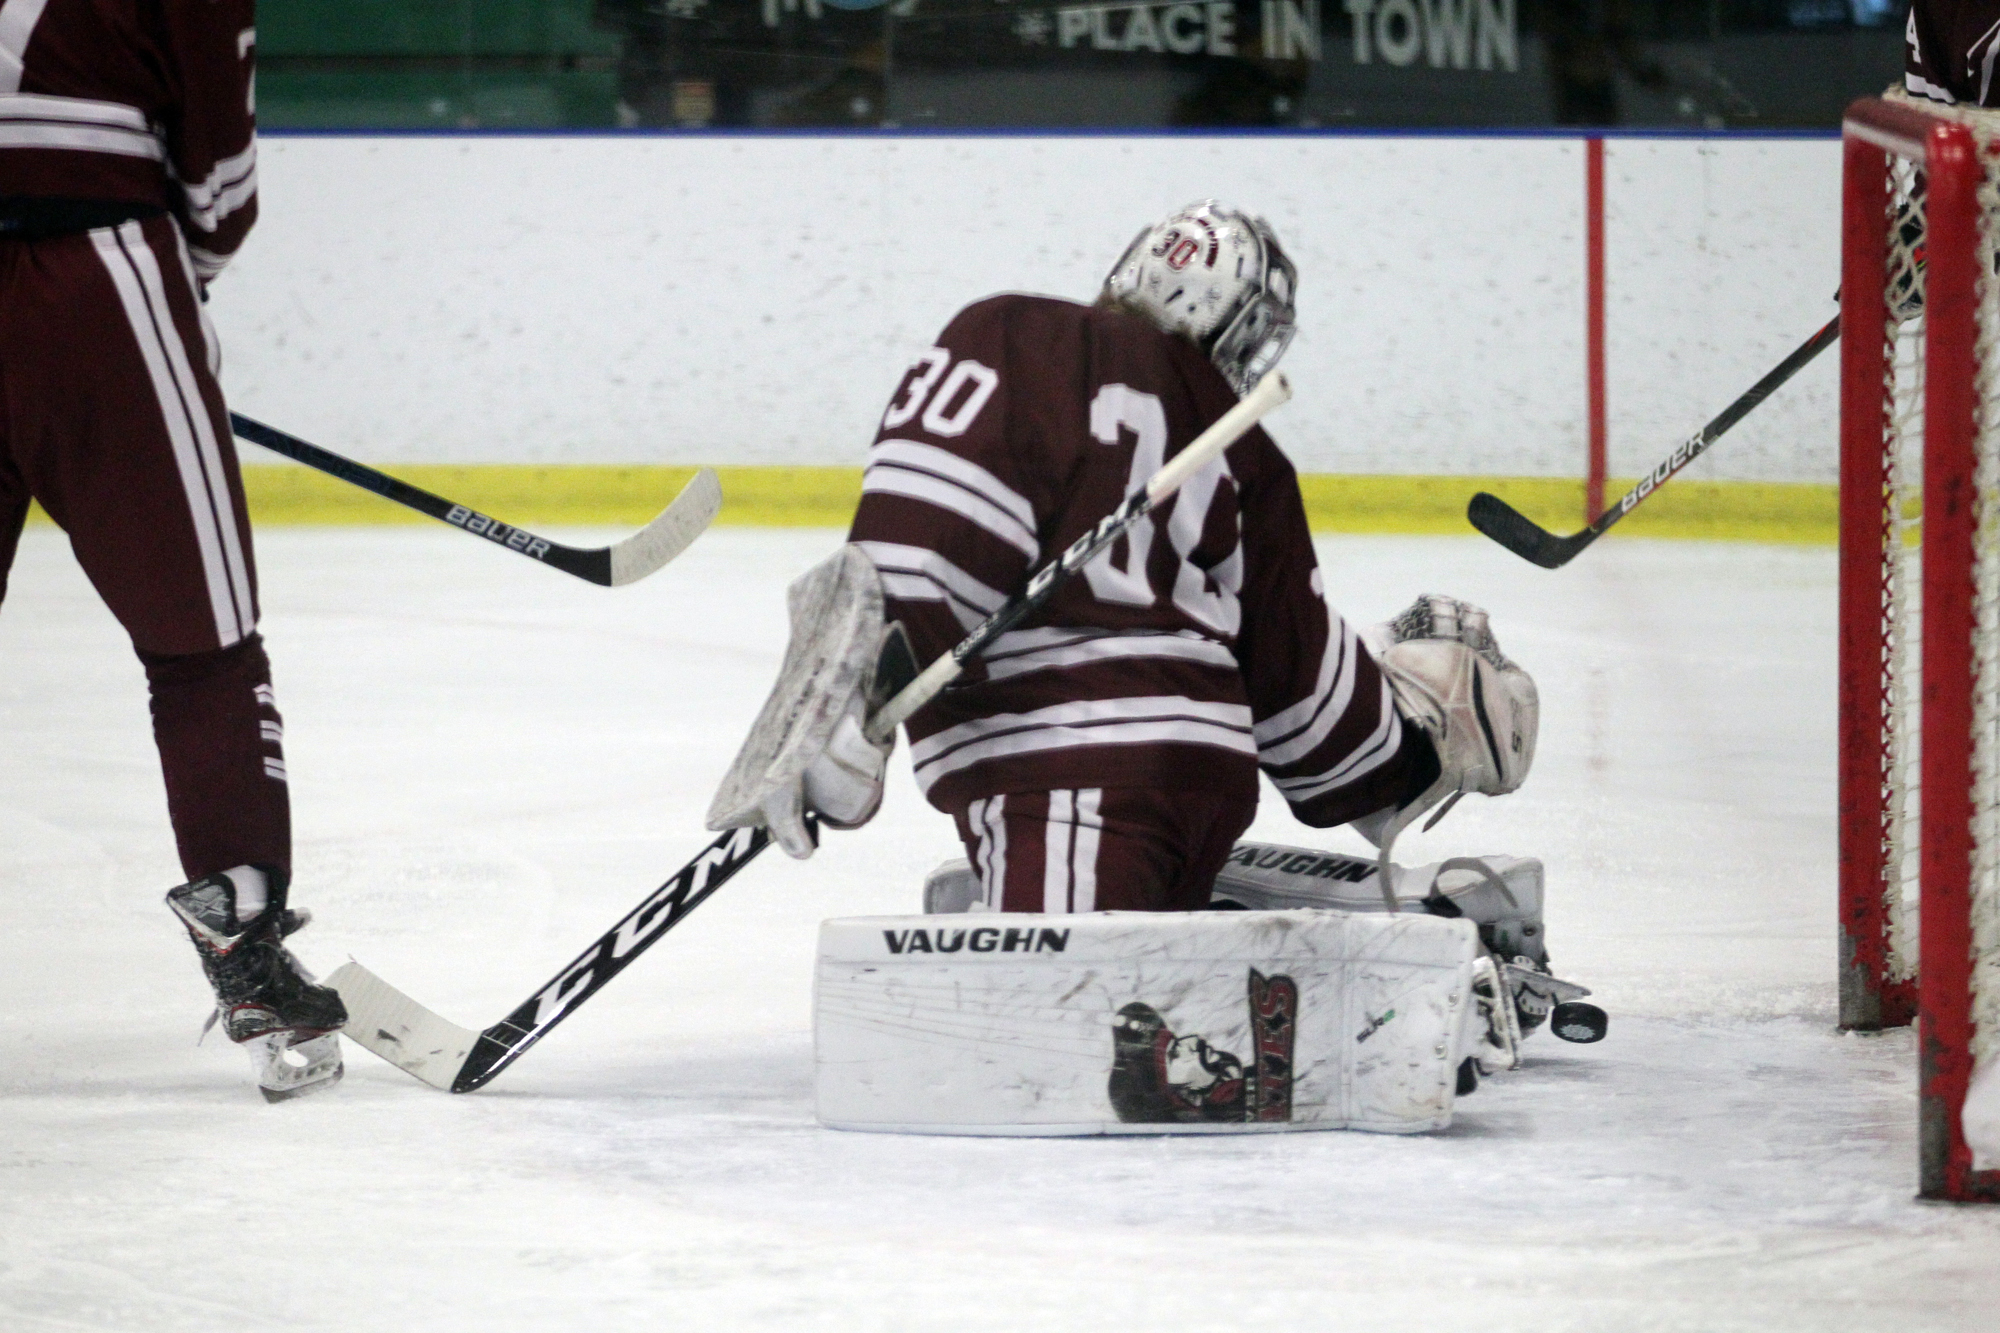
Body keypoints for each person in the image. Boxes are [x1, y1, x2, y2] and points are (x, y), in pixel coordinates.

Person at [712, 201, 1538, 922]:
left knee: (1062, 1030)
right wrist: (1416, 752)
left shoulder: (1011, 337)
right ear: (1243, 328)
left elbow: (922, 539)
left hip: (1065, 795)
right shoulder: (1242, 442)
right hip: (1201, 795)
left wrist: (842, 698)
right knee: (1136, 1008)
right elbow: (1315, 725)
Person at [1, 0, 345, 1099]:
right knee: (204, 644)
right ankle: (245, 951)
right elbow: (221, 184)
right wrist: (174, 282)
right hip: (100, 276)